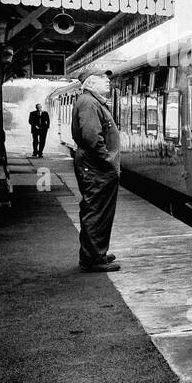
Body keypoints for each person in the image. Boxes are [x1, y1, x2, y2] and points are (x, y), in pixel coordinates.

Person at [71, 68, 121, 272]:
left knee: (97, 209)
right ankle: (93, 258)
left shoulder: (91, 102)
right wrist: (107, 160)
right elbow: (92, 137)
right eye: (102, 78)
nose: (107, 81)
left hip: (93, 164)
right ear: (90, 83)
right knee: (96, 210)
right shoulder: (89, 103)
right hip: (95, 166)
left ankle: (96, 252)